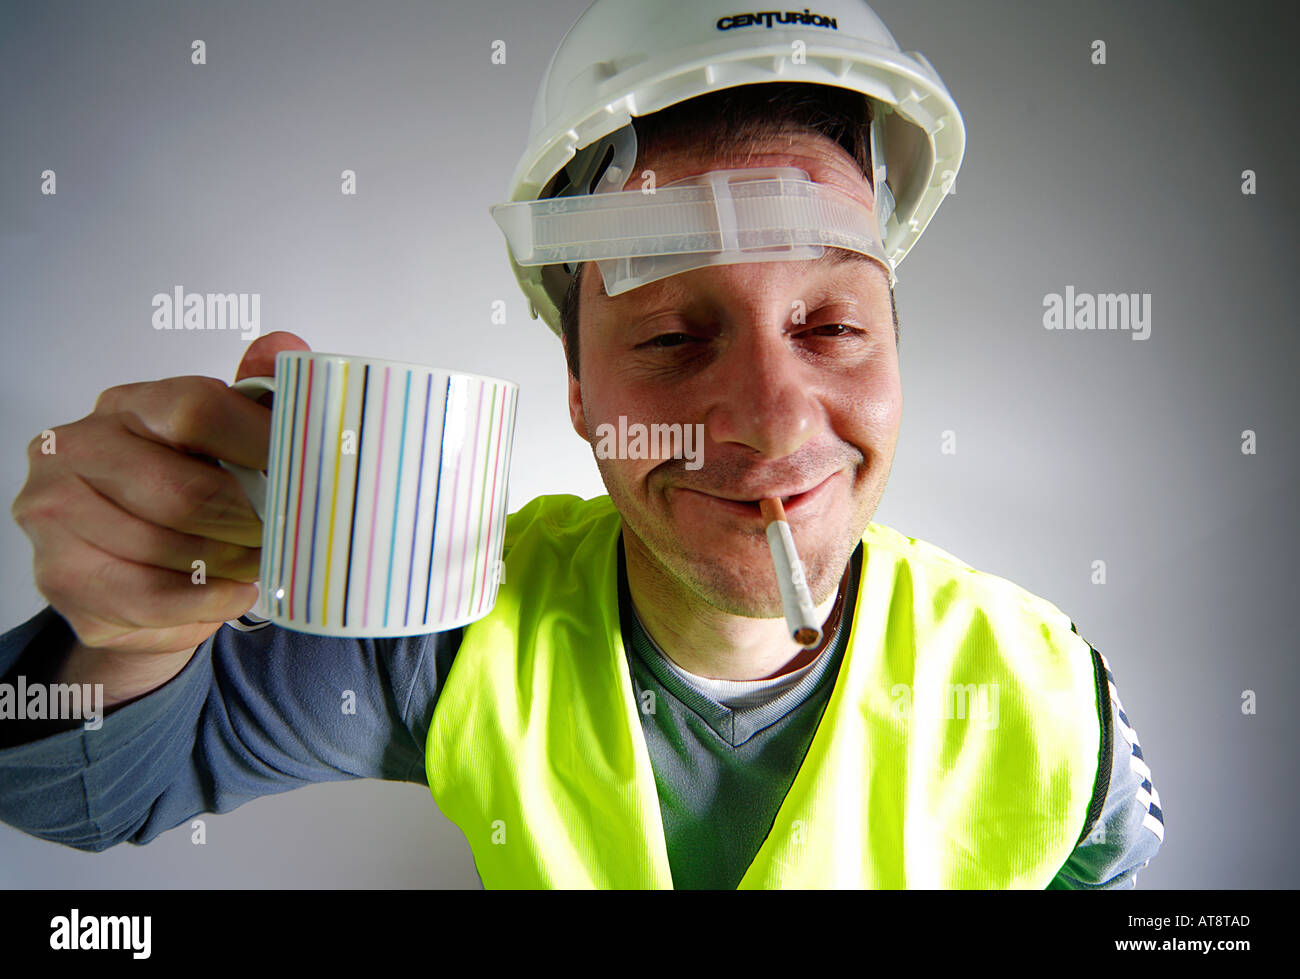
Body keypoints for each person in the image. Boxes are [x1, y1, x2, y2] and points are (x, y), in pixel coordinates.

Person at [0, 0, 1163, 888]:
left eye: (831, 324)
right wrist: (122, 634)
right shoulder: (447, 631)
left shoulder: (1055, 696)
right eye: (666, 334)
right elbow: (72, 791)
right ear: (573, 386)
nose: (771, 418)